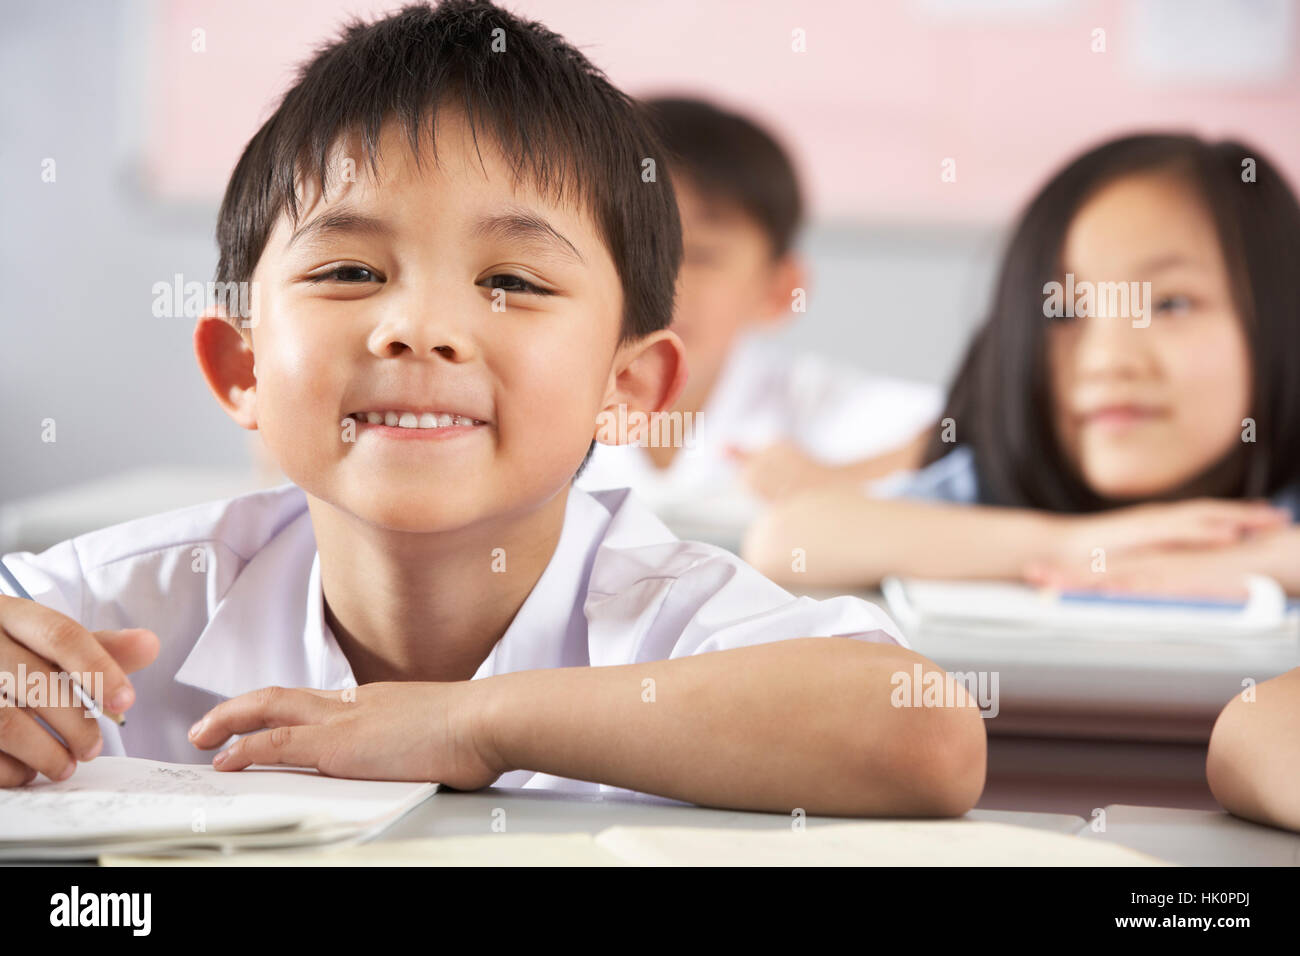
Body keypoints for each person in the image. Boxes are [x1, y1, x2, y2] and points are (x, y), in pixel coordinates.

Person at [0, 1, 984, 818]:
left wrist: (468, 720)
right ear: (239, 364)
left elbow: (924, 734)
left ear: (629, 387)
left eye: (511, 279)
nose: (422, 328)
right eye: (349, 269)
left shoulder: (666, 617)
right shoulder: (113, 613)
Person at [743, 134, 1300, 596]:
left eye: (1172, 304)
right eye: (1063, 310)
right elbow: (784, 541)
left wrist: (1264, 563)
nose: (1107, 361)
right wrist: (1076, 544)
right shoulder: (994, 488)